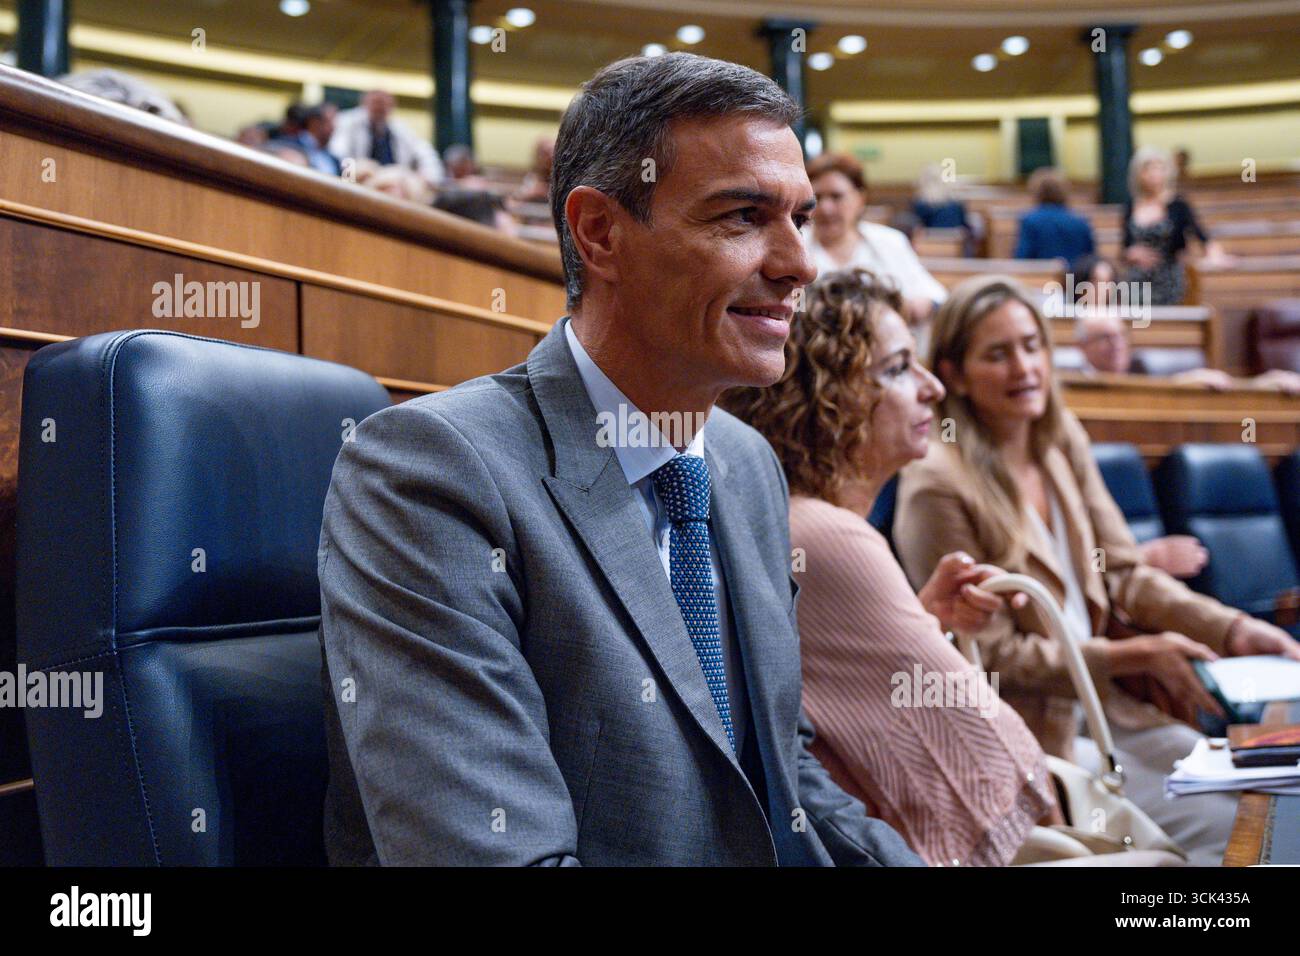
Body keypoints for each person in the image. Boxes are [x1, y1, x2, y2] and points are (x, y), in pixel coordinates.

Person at [317, 52, 920, 867]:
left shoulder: (745, 464)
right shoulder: (430, 472)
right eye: (743, 216)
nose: (799, 265)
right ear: (600, 232)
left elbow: (785, 783)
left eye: (801, 219)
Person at [893, 274, 1300, 865]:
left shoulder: (1058, 443)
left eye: (1032, 345)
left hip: (1109, 709)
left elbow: (1126, 574)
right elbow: (993, 661)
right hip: (1034, 738)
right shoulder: (937, 482)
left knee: (1267, 797)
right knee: (1232, 830)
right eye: (998, 354)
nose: (1025, 368)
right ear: (954, 373)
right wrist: (1133, 656)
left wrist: (1233, 630)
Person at [722, 268, 1060, 866]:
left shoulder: (800, 518)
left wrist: (925, 618)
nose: (932, 388)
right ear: (831, 396)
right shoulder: (827, 534)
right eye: (899, 369)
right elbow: (992, 746)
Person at [804, 153, 947, 356]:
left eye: (836, 197)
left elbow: (935, 296)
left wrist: (919, 306)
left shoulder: (890, 242)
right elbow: (791, 303)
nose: (825, 208)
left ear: (860, 199)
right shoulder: (795, 245)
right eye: (817, 198)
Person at [1122, 146, 1231, 306]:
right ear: (1138, 174)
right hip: (1137, 280)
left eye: (1159, 169)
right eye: (1147, 169)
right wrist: (1131, 253)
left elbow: (1202, 236)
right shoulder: (1131, 205)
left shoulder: (1178, 205)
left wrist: (1216, 255)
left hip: (1169, 278)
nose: (1153, 175)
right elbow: (1125, 246)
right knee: (1138, 324)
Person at [329, 89, 445, 186]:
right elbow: (339, 152)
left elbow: (425, 154)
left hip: (393, 180)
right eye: (375, 103)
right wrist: (349, 180)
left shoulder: (400, 129)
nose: (379, 108)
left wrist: (430, 178)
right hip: (360, 179)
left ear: (391, 107)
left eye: (384, 104)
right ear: (364, 104)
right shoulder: (348, 122)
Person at [1015, 167, 1095, 263]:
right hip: (1074, 276)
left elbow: (1022, 257)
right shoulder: (1080, 220)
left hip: (1042, 276)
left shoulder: (1030, 221)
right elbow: (1090, 258)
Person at [911, 163, 969, 230]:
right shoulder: (955, 200)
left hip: (930, 238)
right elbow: (963, 223)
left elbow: (919, 224)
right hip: (956, 238)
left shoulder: (920, 202)